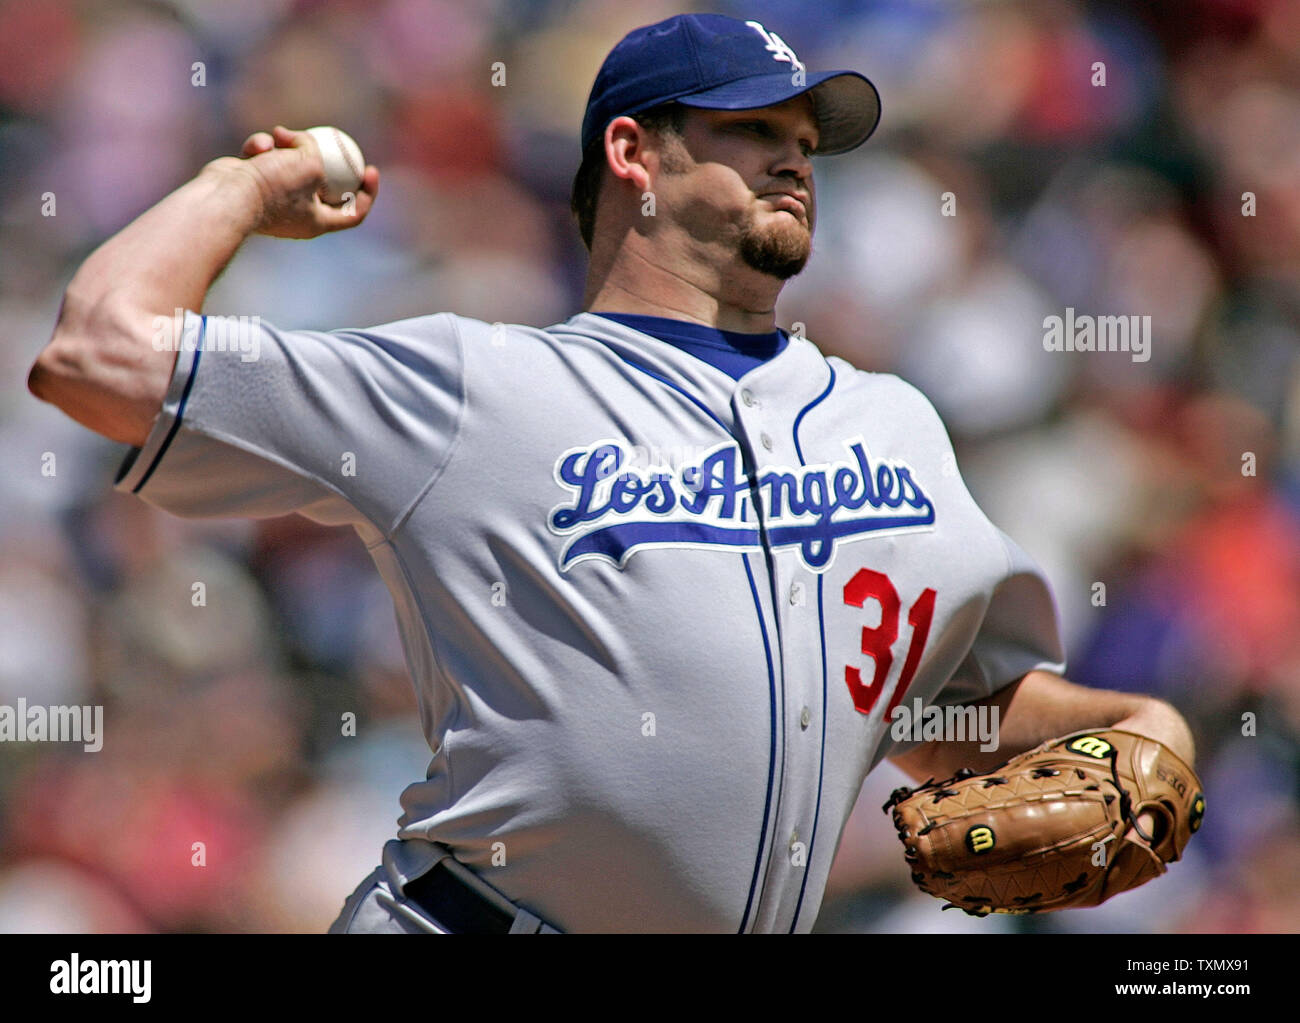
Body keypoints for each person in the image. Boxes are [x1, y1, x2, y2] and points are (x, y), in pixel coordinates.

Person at [28, 13, 1194, 933]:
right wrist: (240, 188)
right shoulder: (472, 384)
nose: (793, 163)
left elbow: (936, 724)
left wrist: (1135, 725)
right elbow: (99, 358)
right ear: (632, 152)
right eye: (751, 133)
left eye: (804, 143)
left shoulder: (891, 424)